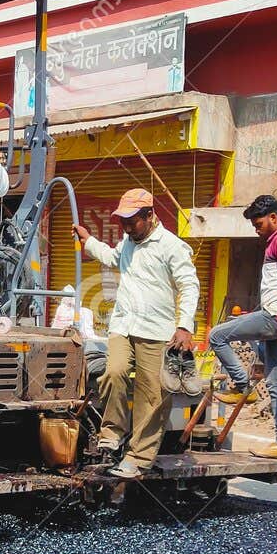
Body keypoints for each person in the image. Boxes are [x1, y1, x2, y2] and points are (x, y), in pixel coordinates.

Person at [74, 189, 200, 479]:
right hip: (123, 326)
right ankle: (112, 434)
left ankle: (139, 457)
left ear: (150, 215)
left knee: (151, 395)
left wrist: (185, 326)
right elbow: (112, 257)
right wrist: (88, 240)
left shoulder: (172, 246)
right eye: (123, 222)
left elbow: (189, 285)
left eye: (132, 221)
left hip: (156, 331)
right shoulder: (128, 243)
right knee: (113, 372)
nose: (127, 227)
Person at [208, 194, 277, 460]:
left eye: (259, 224)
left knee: (216, 335)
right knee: (276, 383)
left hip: (276, 318)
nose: (256, 229)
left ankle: (242, 386)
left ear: (273, 217)